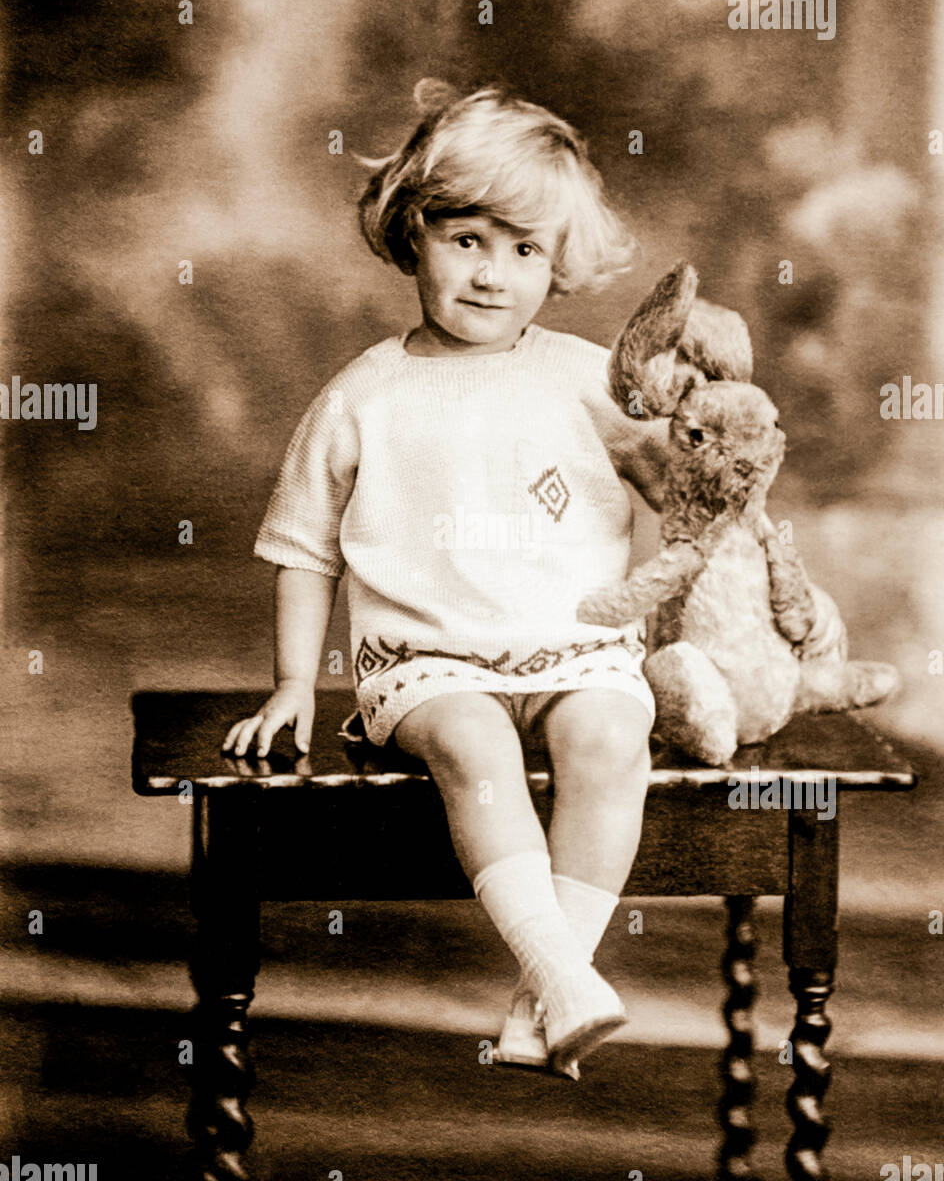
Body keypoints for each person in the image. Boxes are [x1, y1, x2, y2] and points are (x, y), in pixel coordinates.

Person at [222, 83, 668, 1077]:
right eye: (468, 239)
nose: (493, 275)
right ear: (415, 232)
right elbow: (305, 548)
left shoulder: (590, 380)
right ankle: (559, 974)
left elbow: (670, 492)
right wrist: (296, 684)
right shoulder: (364, 396)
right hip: (426, 664)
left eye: (525, 251)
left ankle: (542, 995)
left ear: (557, 267)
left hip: (577, 648)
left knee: (610, 734)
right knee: (471, 740)